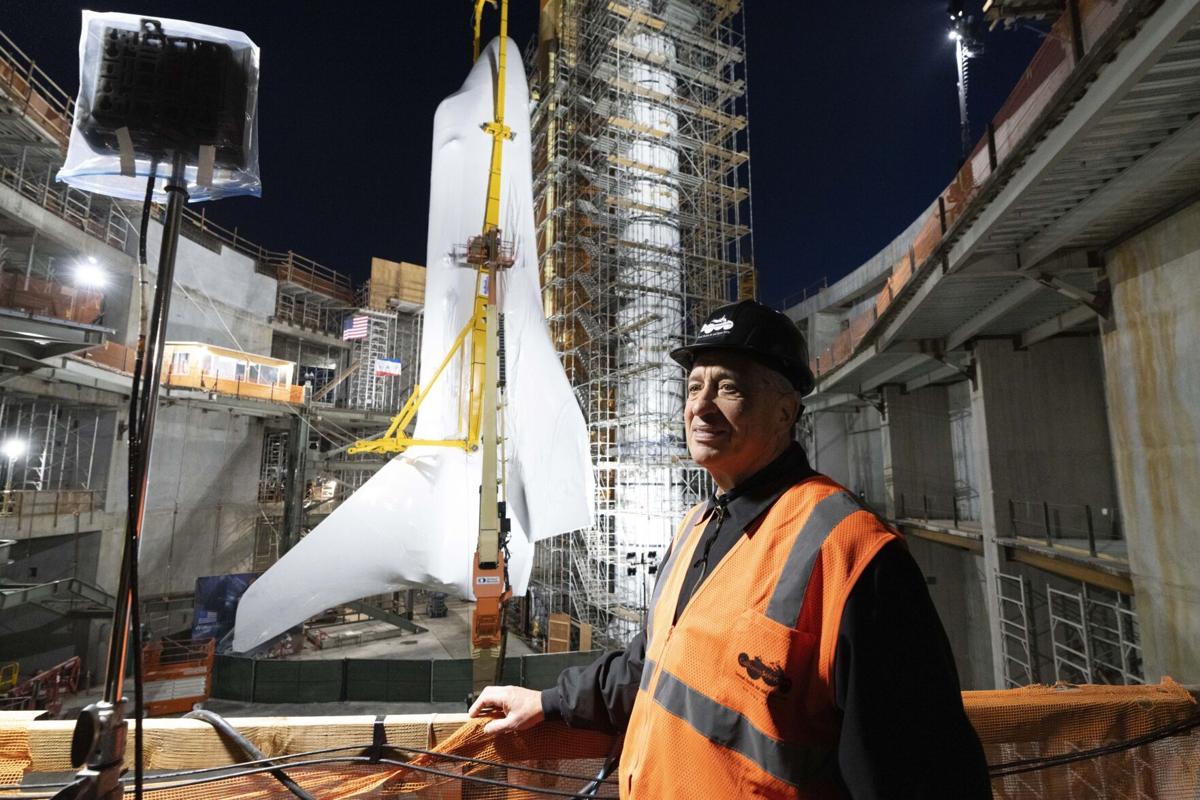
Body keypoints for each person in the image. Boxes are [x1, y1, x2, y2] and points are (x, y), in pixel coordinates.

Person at [470, 300, 991, 798]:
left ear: (785, 412)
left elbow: (922, 774)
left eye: (728, 389)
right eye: (693, 386)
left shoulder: (853, 552)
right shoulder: (696, 526)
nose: (699, 406)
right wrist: (549, 700)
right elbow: (652, 666)